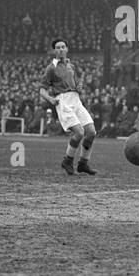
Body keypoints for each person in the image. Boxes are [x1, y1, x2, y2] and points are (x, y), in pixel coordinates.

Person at [38, 38, 97, 175]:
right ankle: (67, 161)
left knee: (91, 132)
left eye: (63, 47)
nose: (61, 49)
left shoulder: (71, 66)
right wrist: (50, 99)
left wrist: (79, 86)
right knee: (79, 133)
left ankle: (83, 163)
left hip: (76, 100)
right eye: (58, 47)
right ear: (54, 51)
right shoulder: (51, 68)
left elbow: (76, 83)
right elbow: (42, 89)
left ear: (67, 49)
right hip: (63, 101)